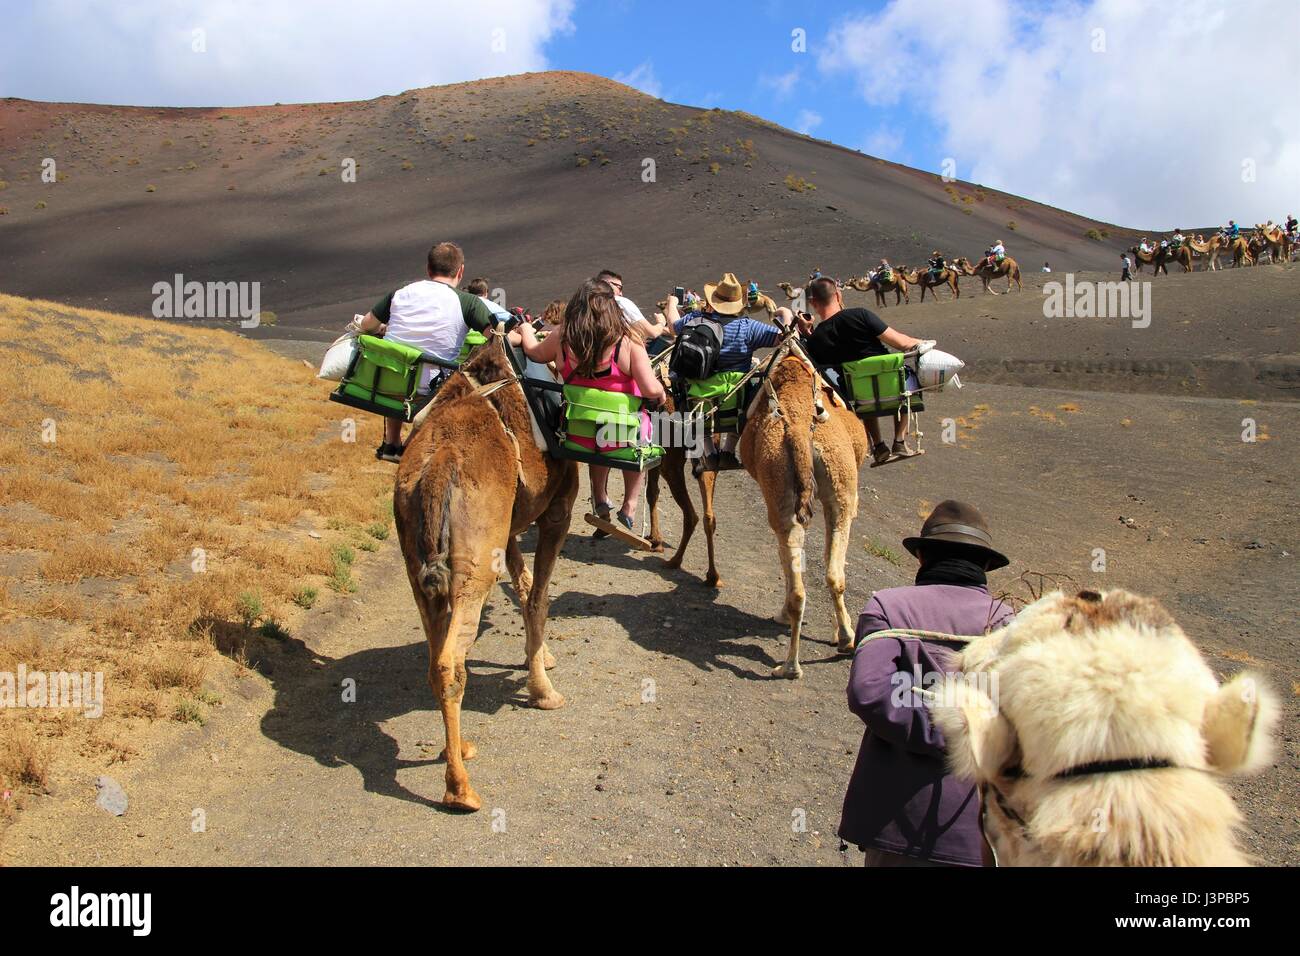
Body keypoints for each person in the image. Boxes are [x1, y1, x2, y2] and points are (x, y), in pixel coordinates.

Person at [838, 500, 1015, 867]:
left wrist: (938, 729)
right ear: (984, 564)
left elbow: (868, 692)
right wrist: (965, 731)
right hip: (977, 831)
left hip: (895, 822)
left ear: (922, 556)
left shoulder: (888, 606)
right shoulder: (1009, 624)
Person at [517, 279, 665, 535]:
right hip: (622, 438)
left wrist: (525, 330)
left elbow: (534, 353)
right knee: (638, 442)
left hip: (576, 434)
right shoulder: (628, 340)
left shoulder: (564, 335)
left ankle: (599, 496)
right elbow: (651, 389)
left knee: (598, 434)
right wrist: (661, 393)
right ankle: (629, 505)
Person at [359, 241, 496, 463]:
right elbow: (497, 335)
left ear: (428, 269)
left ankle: (391, 442)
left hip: (385, 379)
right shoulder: (468, 302)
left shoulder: (400, 293)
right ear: (460, 271)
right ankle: (410, 444)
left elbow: (366, 324)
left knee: (401, 361)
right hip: (430, 391)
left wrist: (382, 328)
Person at [796, 277, 932, 466]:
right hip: (894, 385)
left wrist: (808, 334)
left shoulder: (818, 337)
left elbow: (817, 360)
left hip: (860, 397)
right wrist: (925, 344)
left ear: (813, 303)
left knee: (861, 387)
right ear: (838, 294)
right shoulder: (860, 315)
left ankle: (878, 445)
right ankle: (899, 440)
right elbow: (902, 342)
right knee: (907, 376)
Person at [664, 272, 783, 475]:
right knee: (751, 385)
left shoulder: (696, 319)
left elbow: (673, 327)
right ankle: (728, 451)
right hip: (737, 400)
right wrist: (783, 313)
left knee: (684, 389)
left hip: (700, 399)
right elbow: (781, 338)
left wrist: (671, 305)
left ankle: (709, 452)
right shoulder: (748, 327)